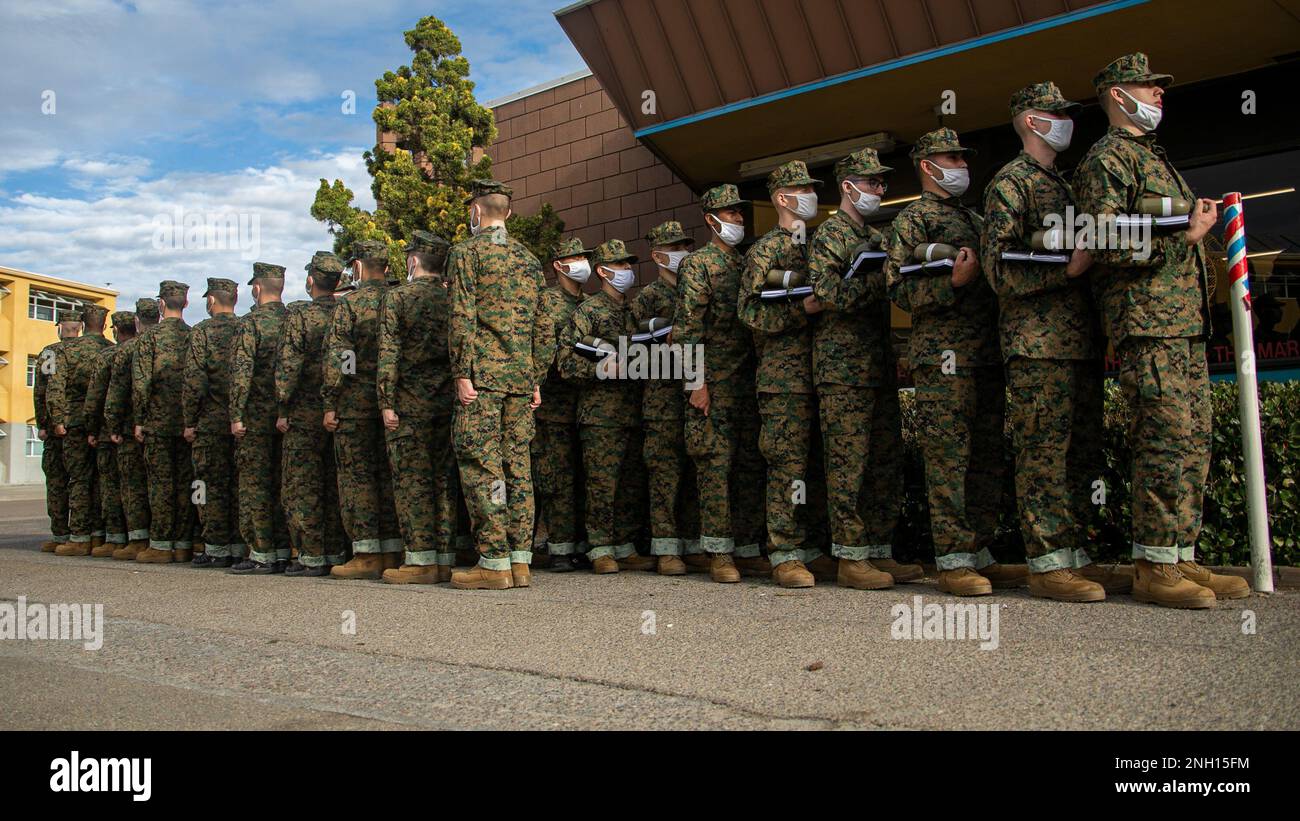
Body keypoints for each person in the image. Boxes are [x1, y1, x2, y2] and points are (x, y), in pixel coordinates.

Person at [1074, 53, 1249, 606]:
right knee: (1163, 436)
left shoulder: (1152, 158)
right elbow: (1102, 239)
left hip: (1181, 324)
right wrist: (1186, 237)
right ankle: (1152, 564)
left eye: (1158, 87)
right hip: (1147, 325)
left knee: (1194, 437)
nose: (1159, 94)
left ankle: (1180, 555)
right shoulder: (1108, 160)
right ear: (1118, 95)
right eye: (1149, 87)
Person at [983, 81, 1129, 602]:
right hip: (1036, 345)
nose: (1066, 120)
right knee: (1043, 451)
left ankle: (1078, 556)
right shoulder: (1010, 184)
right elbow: (999, 270)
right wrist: (1067, 270)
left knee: (1081, 453)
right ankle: (1047, 563)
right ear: (1029, 120)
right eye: (1055, 113)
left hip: (1079, 343)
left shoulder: (1065, 186)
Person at [884, 128, 1026, 596]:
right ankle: (953, 559)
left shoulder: (978, 219)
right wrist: (953, 284)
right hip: (942, 358)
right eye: (952, 158)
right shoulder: (913, 221)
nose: (962, 165)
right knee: (949, 456)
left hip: (986, 353)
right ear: (928, 165)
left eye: (964, 158)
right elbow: (898, 290)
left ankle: (980, 550)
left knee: (986, 456)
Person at [804, 148, 922, 588]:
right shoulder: (830, 235)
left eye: (881, 184)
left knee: (882, 461)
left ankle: (877, 550)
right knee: (847, 463)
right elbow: (828, 294)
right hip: (842, 370)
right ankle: (850, 557)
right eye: (871, 183)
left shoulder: (875, 236)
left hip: (877, 363)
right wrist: (880, 280)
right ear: (848, 186)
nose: (878, 190)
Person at [447, 180, 550, 590]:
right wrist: (536, 378)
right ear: (507, 213)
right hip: (520, 381)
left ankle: (494, 562)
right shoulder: (528, 259)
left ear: (475, 211)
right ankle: (521, 561)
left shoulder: (466, 253)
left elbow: (461, 316)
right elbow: (544, 326)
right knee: (518, 468)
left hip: (483, 381)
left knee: (484, 467)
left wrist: (461, 371)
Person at [737, 160, 825, 588]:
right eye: (802, 188)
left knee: (820, 466)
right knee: (787, 464)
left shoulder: (818, 244)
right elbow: (749, 311)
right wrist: (798, 311)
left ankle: (815, 549)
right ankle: (785, 551)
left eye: (812, 187)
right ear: (782, 198)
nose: (810, 194)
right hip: (783, 377)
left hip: (823, 369)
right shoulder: (765, 250)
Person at [675, 184, 767, 583]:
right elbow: (687, 328)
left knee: (748, 466)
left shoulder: (747, 263)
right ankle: (718, 551)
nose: (738, 219)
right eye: (730, 214)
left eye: (740, 213)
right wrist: (697, 382)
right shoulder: (698, 265)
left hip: (747, 381)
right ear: (712, 220)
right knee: (715, 467)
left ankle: (746, 548)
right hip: (713, 383)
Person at [558, 239, 654, 575]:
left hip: (634, 410)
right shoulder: (588, 312)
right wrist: (601, 369)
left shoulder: (636, 310)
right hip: (601, 415)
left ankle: (624, 546)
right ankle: (599, 547)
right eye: (621, 265)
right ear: (603, 271)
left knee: (630, 481)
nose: (628, 271)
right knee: (602, 483)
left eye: (629, 265)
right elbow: (566, 362)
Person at [377, 230, 459, 584]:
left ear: (412, 262)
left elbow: (389, 353)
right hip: (447, 402)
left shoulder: (398, 299)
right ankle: (444, 557)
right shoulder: (452, 299)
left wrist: (386, 401)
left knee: (412, 481)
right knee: (444, 481)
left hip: (409, 405)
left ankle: (420, 559)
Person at [325, 241, 403, 579]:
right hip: (397, 404)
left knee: (358, 478)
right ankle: (396, 548)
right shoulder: (399, 297)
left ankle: (368, 553)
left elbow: (342, 359)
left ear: (357, 268)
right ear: (386, 268)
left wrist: (332, 400)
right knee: (391, 476)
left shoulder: (351, 305)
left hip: (357, 406)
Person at [632, 221, 702, 575]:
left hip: (694, 394)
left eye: (686, 246)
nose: (684, 254)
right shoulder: (647, 297)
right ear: (659, 256)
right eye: (676, 248)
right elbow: (637, 351)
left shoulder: (696, 289)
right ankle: (666, 548)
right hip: (662, 399)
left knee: (692, 474)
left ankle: (691, 544)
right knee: (665, 476)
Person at [276, 252, 349, 576]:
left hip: (305, 415)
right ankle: (335, 550)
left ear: (310, 281)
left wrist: (282, 406)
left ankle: (311, 554)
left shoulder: (301, 317)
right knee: (334, 483)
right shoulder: (347, 311)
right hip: (341, 410)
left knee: (302, 485)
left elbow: (287, 368)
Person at [533, 238, 593, 571]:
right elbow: (543, 351)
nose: (582, 262)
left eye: (585, 257)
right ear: (559, 265)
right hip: (553, 406)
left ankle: (577, 544)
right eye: (576, 257)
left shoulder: (588, 302)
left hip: (583, 405)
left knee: (580, 477)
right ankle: (557, 548)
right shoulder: (548, 302)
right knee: (555, 478)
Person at [229, 263, 291, 573]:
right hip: (286, 417)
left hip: (255, 418)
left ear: (256, 289)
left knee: (255, 484)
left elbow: (242, 372)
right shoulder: (293, 319)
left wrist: (236, 415)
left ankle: (262, 552)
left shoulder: (250, 323)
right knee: (283, 483)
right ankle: (284, 549)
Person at [181, 278, 244, 568]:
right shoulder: (244, 327)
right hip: (242, 421)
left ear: (211, 301)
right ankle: (241, 543)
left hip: (210, 423)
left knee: (207, 487)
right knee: (239, 485)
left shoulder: (202, 332)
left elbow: (195, 380)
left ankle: (216, 547)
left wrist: (189, 420)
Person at [132, 281, 197, 563]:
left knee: (160, 484)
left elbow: (141, 382)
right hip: (186, 423)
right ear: (185, 303)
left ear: (161, 304)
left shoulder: (150, 338)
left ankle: (160, 544)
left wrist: (139, 419)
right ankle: (183, 543)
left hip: (158, 423)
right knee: (186, 485)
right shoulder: (193, 335)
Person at [48, 304, 113, 555]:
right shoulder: (111, 349)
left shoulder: (62, 350)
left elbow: (54, 388)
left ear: (83, 325)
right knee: (102, 481)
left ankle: (79, 535)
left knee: (78, 479)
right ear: (105, 325)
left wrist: (55, 420)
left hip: (74, 423)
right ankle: (101, 534)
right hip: (103, 425)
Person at [104, 299, 159, 559]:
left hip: (134, 429)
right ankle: (181, 540)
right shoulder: (186, 337)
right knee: (180, 485)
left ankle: (137, 537)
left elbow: (119, 391)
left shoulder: (126, 351)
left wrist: (113, 425)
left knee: (132, 485)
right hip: (177, 427)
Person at [83, 310, 136, 557]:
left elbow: (101, 395)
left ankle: (114, 536)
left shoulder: (111, 354)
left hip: (117, 431)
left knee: (112, 485)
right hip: (156, 427)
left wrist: (96, 427)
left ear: (114, 329)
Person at [34, 310, 81, 552]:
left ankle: (61, 533)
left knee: (57, 482)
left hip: (59, 428)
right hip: (84, 427)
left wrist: (47, 423)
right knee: (83, 481)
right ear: (80, 327)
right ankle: (87, 534)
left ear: (60, 327)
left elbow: (46, 390)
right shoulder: (94, 350)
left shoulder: (51, 352)